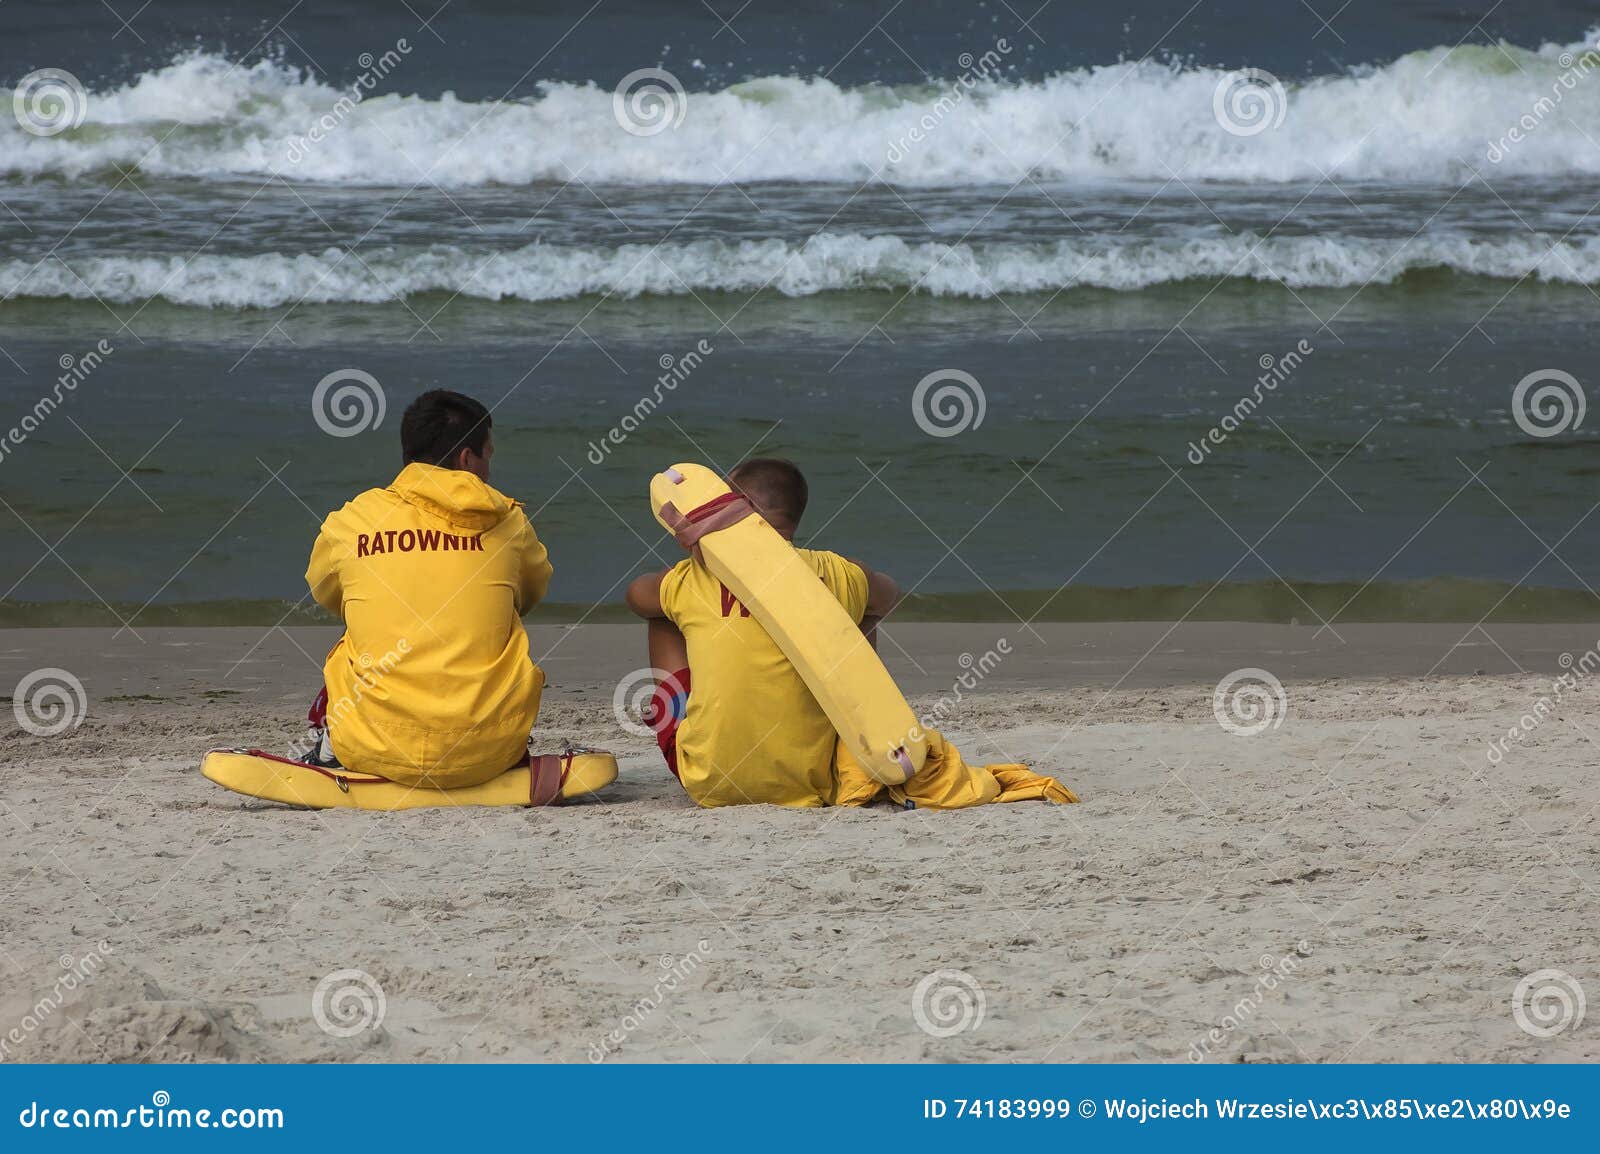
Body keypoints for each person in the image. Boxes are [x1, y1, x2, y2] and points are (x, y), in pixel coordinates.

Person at [626, 458, 1078, 809]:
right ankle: (858, 719)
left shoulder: (692, 580)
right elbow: (890, 596)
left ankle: (683, 716)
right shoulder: (836, 571)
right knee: (861, 614)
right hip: (813, 781)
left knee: (662, 615)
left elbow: (636, 595)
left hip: (709, 782)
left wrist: (700, 557)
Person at [303, 389, 553, 788]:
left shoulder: (351, 521)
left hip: (369, 747)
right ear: (467, 459)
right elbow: (530, 595)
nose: (489, 467)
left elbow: (327, 595)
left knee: (361, 623)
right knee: (499, 619)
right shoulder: (509, 523)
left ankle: (330, 745)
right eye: (488, 455)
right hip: (490, 751)